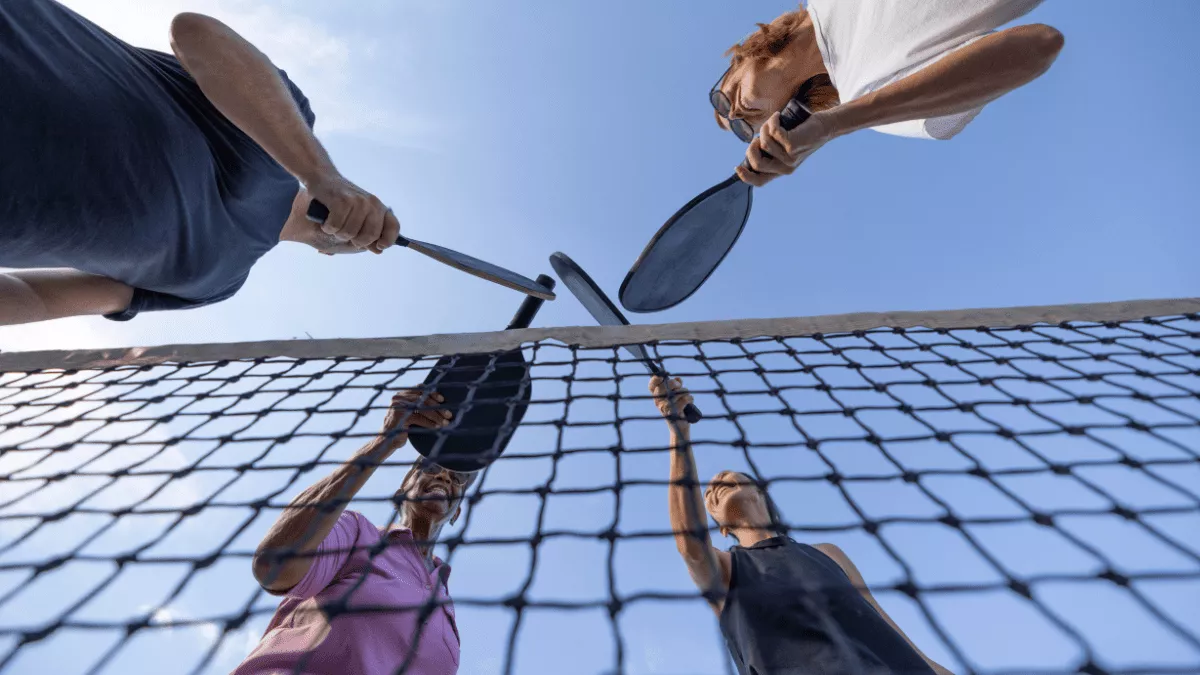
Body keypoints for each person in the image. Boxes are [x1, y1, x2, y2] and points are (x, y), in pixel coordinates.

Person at [0, 0, 398, 327]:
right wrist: (322, 175)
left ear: (328, 255)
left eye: (371, 241)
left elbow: (39, 296)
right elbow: (194, 32)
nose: (366, 230)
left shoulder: (217, 285)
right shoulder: (285, 124)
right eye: (376, 215)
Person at [649, 376, 954, 675]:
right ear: (722, 527)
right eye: (709, 496)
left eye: (728, 478)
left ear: (759, 492)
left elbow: (882, 624)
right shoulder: (726, 569)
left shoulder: (828, 553)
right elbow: (691, 547)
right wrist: (679, 431)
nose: (714, 484)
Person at [235, 389, 472, 675]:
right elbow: (274, 566)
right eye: (430, 467)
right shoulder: (358, 534)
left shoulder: (447, 613)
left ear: (456, 512)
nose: (445, 476)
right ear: (401, 492)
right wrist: (384, 443)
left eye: (458, 478)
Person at [711, 0, 1065, 188]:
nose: (737, 116)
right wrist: (834, 124)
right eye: (743, 128)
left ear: (741, 58)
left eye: (723, 100)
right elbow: (1038, 45)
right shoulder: (868, 97)